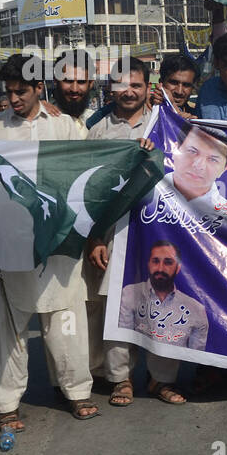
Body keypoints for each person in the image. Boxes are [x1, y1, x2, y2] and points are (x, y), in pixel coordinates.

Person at [0, 54, 97, 424]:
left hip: (58, 239)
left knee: (65, 319)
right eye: (8, 93)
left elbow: (88, 170)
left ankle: (78, 392)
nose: (13, 99)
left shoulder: (65, 127)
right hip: (12, 241)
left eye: (21, 91)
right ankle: (7, 404)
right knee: (10, 327)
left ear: (39, 88)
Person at [84, 57, 156, 407]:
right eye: (121, 85)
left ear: (147, 88)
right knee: (116, 304)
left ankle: (161, 377)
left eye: (136, 85)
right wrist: (95, 236)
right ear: (110, 90)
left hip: (158, 230)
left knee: (159, 299)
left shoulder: (163, 126)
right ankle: (120, 378)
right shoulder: (97, 132)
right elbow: (89, 192)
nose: (129, 91)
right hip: (114, 230)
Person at [117, 241, 208, 402]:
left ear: (178, 267)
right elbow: (121, 334)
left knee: (170, 329)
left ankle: (161, 381)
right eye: (155, 261)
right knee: (120, 331)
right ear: (147, 263)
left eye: (168, 262)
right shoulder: (128, 293)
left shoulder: (194, 308)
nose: (160, 268)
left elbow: (197, 351)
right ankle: (123, 380)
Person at [51, 48, 95, 133]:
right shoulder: (44, 121)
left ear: (91, 83)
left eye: (81, 82)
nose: (74, 89)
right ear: (56, 81)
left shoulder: (98, 121)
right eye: (68, 81)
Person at [149, 53, 198, 119]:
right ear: (161, 82)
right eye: (174, 83)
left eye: (186, 85)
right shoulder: (145, 112)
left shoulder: (195, 117)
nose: (179, 92)